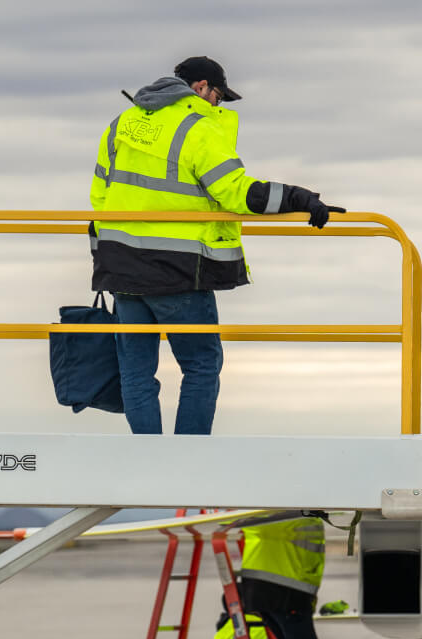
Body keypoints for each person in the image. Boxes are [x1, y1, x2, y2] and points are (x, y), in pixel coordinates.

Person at [90, 56, 344, 435]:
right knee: (201, 366)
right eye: (218, 97)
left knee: (136, 373)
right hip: (177, 271)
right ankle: (189, 465)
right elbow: (236, 192)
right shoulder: (197, 128)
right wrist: (299, 198)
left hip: (121, 267)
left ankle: (147, 460)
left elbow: (100, 195)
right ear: (200, 88)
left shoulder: (121, 124)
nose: (218, 105)